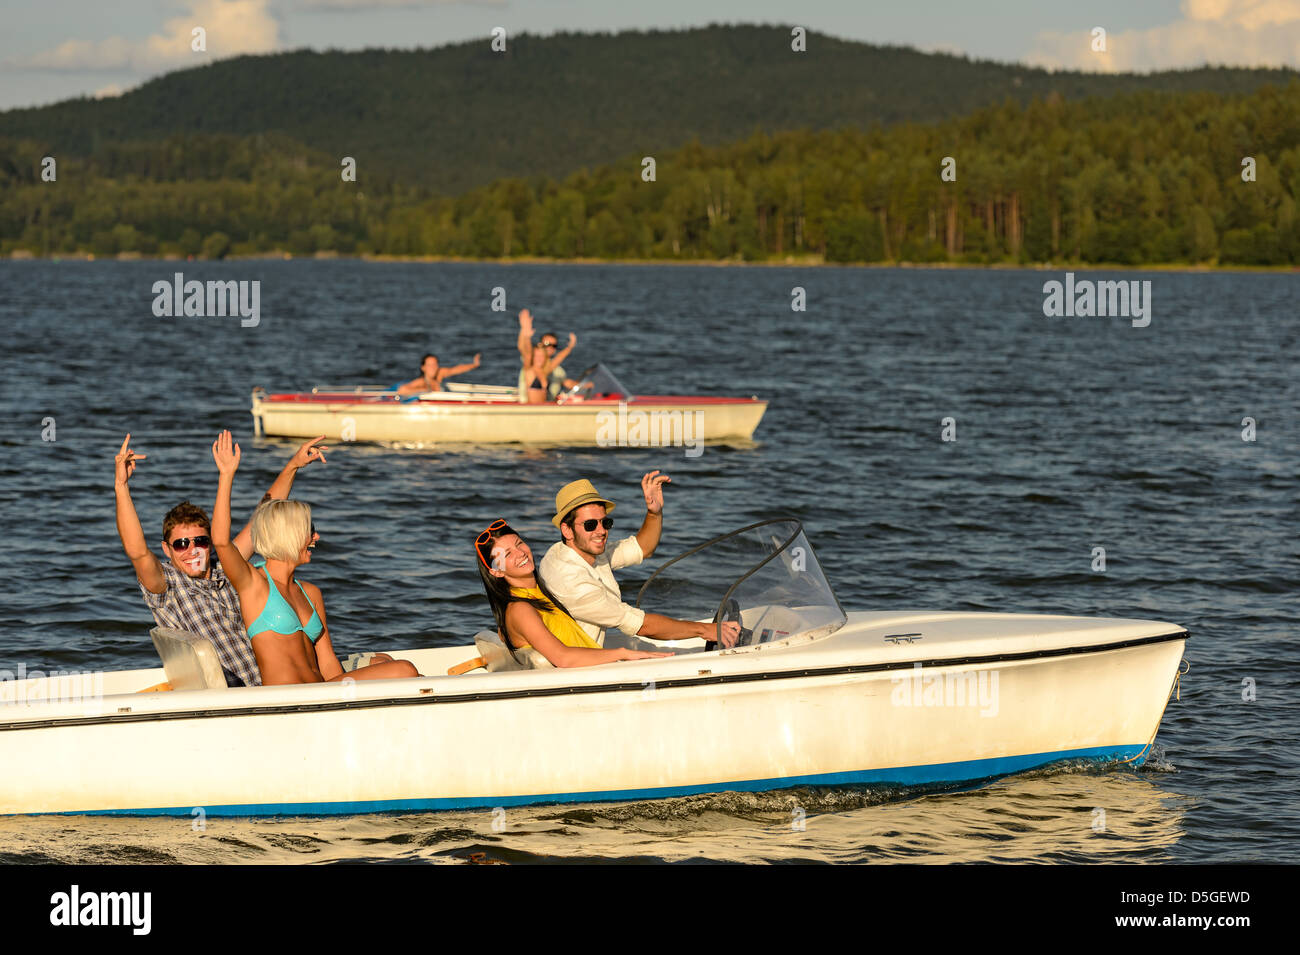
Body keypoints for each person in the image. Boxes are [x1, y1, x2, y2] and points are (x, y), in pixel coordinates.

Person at [114, 432, 332, 687]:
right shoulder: (166, 586)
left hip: (272, 684)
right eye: (181, 544)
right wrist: (121, 487)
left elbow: (263, 516)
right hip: (235, 698)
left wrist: (293, 465)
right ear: (167, 548)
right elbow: (137, 551)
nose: (192, 550)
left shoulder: (227, 568)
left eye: (200, 541)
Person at [210, 430, 421, 686]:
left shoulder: (311, 593)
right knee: (405, 670)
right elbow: (221, 542)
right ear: (289, 535)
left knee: (398, 670)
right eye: (310, 530)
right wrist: (226, 475)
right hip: (286, 700)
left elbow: (329, 665)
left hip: (321, 692)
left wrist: (293, 466)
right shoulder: (253, 583)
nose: (316, 537)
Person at [537, 474, 741, 649]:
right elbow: (640, 625)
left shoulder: (579, 550)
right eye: (590, 524)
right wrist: (705, 630)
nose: (601, 531)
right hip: (566, 672)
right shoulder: (570, 579)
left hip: (583, 655)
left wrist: (654, 512)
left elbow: (643, 548)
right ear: (566, 530)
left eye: (606, 522)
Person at [475, 520, 671, 668]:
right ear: (496, 571)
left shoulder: (537, 593)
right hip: (581, 681)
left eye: (519, 543)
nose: (520, 553)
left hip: (590, 672)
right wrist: (623, 653)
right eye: (507, 554)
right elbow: (562, 657)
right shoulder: (520, 608)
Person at [515, 309, 575, 404]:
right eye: (537, 356)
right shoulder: (529, 369)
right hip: (530, 410)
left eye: (542, 356)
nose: (539, 358)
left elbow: (558, 359)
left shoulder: (545, 371)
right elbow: (525, 350)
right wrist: (526, 335)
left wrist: (570, 347)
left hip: (543, 409)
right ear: (533, 357)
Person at [394, 352, 481, 396]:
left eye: (435, 364)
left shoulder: (440, 373)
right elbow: (402, 390)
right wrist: (423, 390)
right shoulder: (421, 382)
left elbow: (456, 369)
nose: (433, 367)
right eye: (429, 365)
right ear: (423, 368)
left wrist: (474, 365)